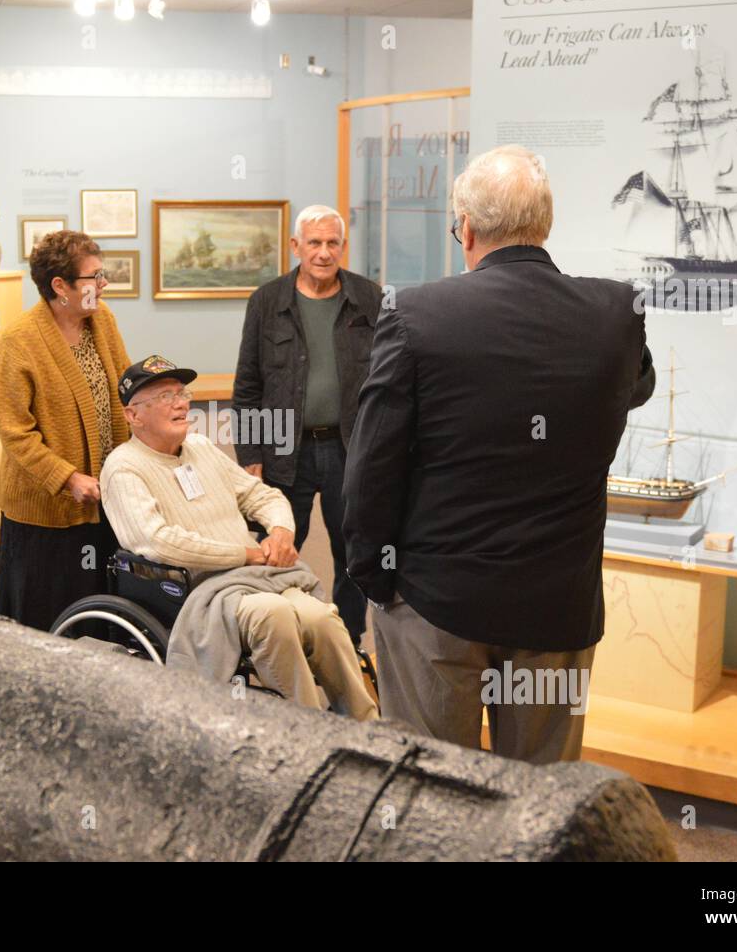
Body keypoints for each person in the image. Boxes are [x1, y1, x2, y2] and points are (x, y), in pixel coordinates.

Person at [342, 145, 656, 763]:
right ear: (546, 225)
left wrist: (375, 582)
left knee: (432, 801)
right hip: (557, 605)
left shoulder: (414, 314)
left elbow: (372, 466)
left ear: (465, 227)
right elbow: (635, 389)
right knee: (542, 807)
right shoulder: (618, 311)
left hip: (436, 602)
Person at [100, 355, 379, 721]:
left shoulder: (199, 448)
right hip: (198, 592)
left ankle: (367, 727)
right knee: (275, 615)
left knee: (321, 618)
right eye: (165, 397)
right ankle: (311, 731)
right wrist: (245, 555)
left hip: (257, 578)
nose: (182, 403)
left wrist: (281, 531)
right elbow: (160, 541)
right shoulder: (124, 468)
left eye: (181, 393)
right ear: (133, 415)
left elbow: (259, 495)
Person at [233, 205, 383, 646]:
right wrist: (250, 457)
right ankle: (276, 638)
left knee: (355, 554)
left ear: (343, 246)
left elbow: (387, 381)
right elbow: (248, 386)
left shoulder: (369, 297)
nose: (323, 252)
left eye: (332, 243)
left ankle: (347, 642)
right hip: (283, 448)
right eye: (314, 243)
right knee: (275, 549)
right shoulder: (267, 300)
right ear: (295, 247)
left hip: (348, 448)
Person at [0, 229, 132, 631]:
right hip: (44, 514)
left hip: (103, 499)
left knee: (99, 609)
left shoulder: (102, 320)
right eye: (94, 277)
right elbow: (15, 432)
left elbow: (125, 385)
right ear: (60, 286)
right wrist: (67, 478)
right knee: (46, 617)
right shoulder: (19, 341)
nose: (103, 285)